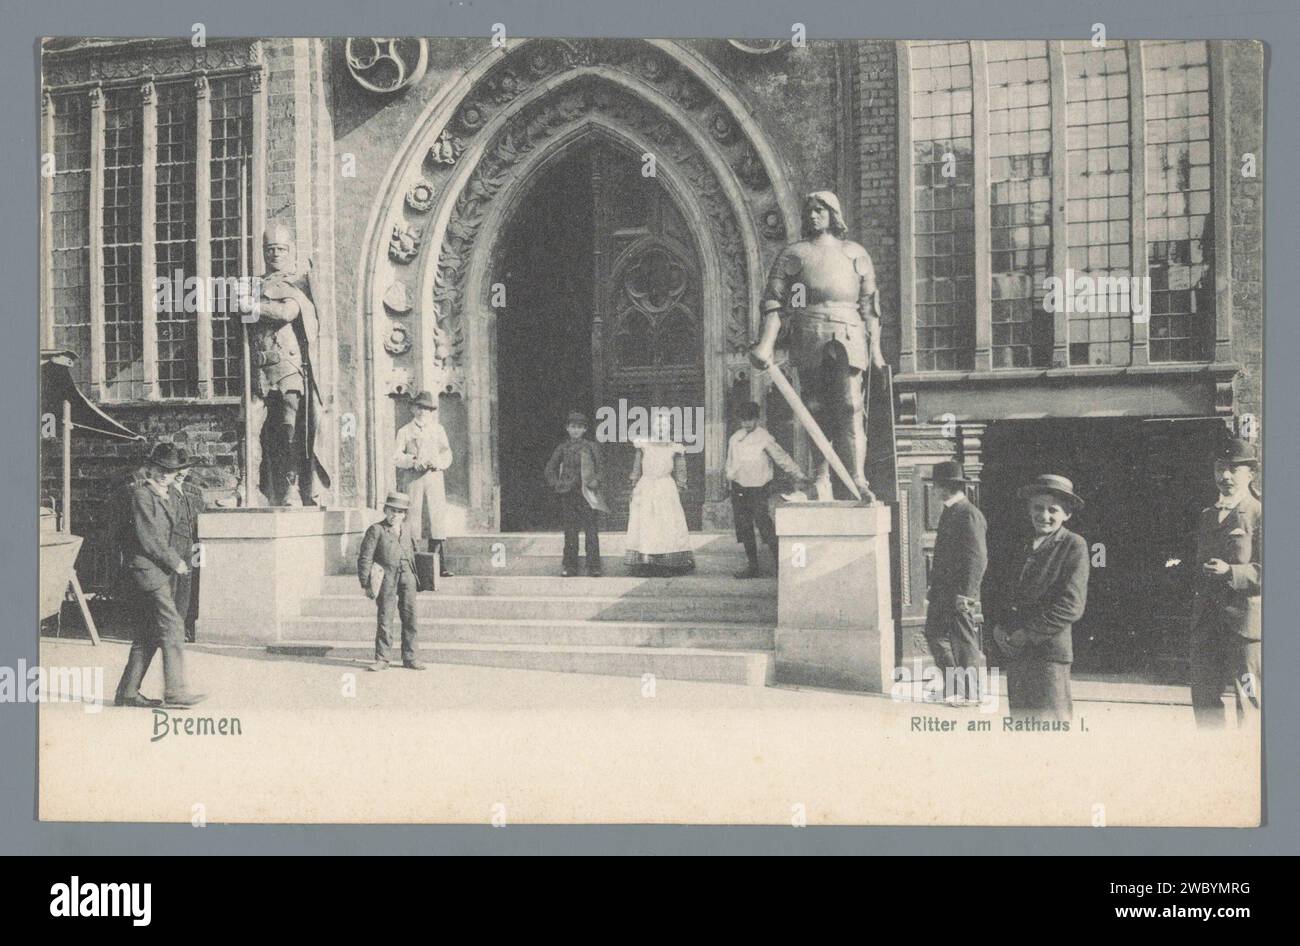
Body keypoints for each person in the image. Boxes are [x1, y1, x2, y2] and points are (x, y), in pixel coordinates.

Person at [748, 190, 885, 501]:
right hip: (808, 333)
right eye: (809, 210)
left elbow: (869, 307)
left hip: (849, 332)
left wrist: (876, 350)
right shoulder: (793, 255)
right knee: (813, 408)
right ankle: (820, 480)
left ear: (832, 214)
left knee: (851, 406)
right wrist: (767, 342)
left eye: (820, 209)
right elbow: (774, 302)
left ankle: (857, 479)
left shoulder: (855, 254)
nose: (813, 215)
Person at [234, 224, 331, 506]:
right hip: (258, 369)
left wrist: (251, 307)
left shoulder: (297, 283)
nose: (275, 254)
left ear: (291, 251)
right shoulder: (253, 285)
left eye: (281, 249)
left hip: (288, 369)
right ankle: (246, 487)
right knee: (248, 429)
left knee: (291, 430)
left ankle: (293, 487)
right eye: (270, 249)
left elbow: (286, 312)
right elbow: (244, 323)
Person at [113, 444, 206, 708]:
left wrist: (181, 562)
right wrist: (175, 561)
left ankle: (127, 693)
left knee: (149, 632)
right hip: (146, 570)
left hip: (161, 570)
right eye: (161, 469)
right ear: (151, 468)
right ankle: (176, 692)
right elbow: (149, 537)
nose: (165, 474)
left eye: (171, 470)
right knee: (174, 626)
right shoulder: (142, 495)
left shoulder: (169, 495)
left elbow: (176, 533)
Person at [991, 474, 1090, 721]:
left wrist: (1026, 634)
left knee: (1050, 730)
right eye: (1038, 508)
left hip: (1048, 655)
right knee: (1023, 729)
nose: (1044, 516)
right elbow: (1004, 591)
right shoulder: (1022, 544)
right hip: (1016, 653)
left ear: (1067, 514)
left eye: (1052, 510)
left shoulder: (1074, 545)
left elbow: (1071, 606)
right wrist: (999, 629)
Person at [1189, 439, 1262, 728]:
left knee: (1249, 698)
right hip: (1207, 620)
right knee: (1204, 695)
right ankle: (1212, 757)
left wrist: (1231, 572)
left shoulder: (1259, 513)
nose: (1226, 476)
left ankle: (1246, 761)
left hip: (1243, 624)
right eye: (1220, 468)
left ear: (1250, 475)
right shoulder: (1208, 516)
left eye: (1234, 469)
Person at [923, 460, 988, 705]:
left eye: (936, 485)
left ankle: (972, 693)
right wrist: (933, 588)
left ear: (945, 486)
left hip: (959, 593)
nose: (934, 490)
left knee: (963, 642)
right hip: (942, 592)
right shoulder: (951, 511)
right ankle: (954, 687)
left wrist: (967, 594)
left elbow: (977, 558)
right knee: (935, 634)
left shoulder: (968, 513)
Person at [725, 401, 807, 578]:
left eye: (750, 420)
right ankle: (753, 566)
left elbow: (781, 458)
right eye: (743, 421)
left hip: (758, 487)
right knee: (745, 527)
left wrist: (798, 474)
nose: (746, 424)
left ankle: (781, 565)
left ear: (757, 419)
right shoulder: (735, 438)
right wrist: (729, 475)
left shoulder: (764, 438)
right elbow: (730, 461)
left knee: (764, 525)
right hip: (739, 487)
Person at [356, 491, 425, 672]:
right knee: (385, 618)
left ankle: (410, 657)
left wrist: (421, 576)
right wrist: (366, 583)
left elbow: (415, 552)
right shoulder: (376, 530)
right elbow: (365, 558)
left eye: (400, 512)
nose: (395, 515)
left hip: (408, 576)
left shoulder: (408, 529)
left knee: (410, 617)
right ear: (385, 510)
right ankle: (382, 659)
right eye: (392, 511)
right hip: (386, 578)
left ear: (405, 514)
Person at [624, 411, 695, 575]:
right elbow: (636, 468)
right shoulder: (643, 446)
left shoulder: (674, 447)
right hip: (646, 486)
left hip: (665, 487)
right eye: (658, 425)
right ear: (652, 427)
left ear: (669, 427)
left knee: (666, 525)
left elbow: (681, 471)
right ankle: (646, 562)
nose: (661, 428)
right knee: (646, 524)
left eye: (664, 425)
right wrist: (634, 485)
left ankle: (667, 563)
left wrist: (678, 487)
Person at [394, 390, 454, 578]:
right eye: (419, 407)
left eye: (427, 409)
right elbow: (396, 456)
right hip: (413, 479)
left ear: (431, 412)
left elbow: (447, 453)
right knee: (413, 520)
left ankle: (438, 566)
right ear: (413, 409)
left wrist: (438, 463)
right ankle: (413, 567)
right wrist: (413, 461)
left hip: (434, 478)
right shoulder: (404, 431)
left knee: (435, 520)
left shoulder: (438, 430)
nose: (423, 412)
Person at [544, 411, 607, 578]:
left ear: (585, 429)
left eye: (579, 427)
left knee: (591, 531)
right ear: (567, 428)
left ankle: (594, 567)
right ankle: (569, 567)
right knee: (570, 531)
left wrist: (596, 481)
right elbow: (550, 468)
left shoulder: (592, 447)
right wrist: (557, 484)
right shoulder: (563, 448)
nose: (576, 430)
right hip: (569, 494)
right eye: (573, 427)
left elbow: (601, 470)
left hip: (587, 494)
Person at [170, 449, 206, 642]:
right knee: (175, 589)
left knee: (192, 587)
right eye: (179, 468)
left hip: (195, 547)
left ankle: (186, 627)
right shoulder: (166, 494)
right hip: (175, 547)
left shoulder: (192, 492)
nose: (182, 472)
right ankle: (175, 629)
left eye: (186, 467)